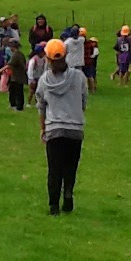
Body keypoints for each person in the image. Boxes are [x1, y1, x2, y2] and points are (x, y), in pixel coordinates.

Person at [35, 38, 88, 216]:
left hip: (54, 129)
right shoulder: (79, 77)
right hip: (75, 130)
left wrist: (43, 128)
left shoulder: (44, 81)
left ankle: (53, 206)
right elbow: (83, 101)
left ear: (48, 59)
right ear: (65, 55)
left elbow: (41, 106)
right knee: (70, 167)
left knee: (54, 169)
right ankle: (68, 195)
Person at [0, 38, 27, 111]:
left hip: (16, 76)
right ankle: (16, 105)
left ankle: (17, 106)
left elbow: (9, 64)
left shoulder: (16, 55)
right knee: (17, 91)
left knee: (16, 91)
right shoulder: (20, 54)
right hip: (19, 75)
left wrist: (0, 70)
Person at [26, 42, 47, 107]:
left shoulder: (43, 59)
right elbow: (30, 69)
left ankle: (37, 102)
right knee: (32, 90)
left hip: (39, 76)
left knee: (39, 90)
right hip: (33, 77)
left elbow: (44, 68)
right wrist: (31, 79)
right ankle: (28, 103)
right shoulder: (34, 59)